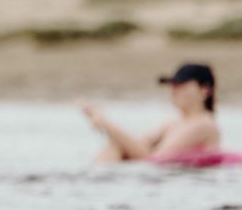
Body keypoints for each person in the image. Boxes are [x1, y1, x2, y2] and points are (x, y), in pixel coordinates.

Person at [80, 63, 221, 163]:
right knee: (115, 148)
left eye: (181, 85)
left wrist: (106, 123)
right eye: (172, 85)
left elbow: (154, 159)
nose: (174, 91)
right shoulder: (173, 124)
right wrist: (109, 131)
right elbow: (138, 144)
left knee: (118, 147)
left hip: (177, 182)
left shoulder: (204, 124)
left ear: (205, 90)